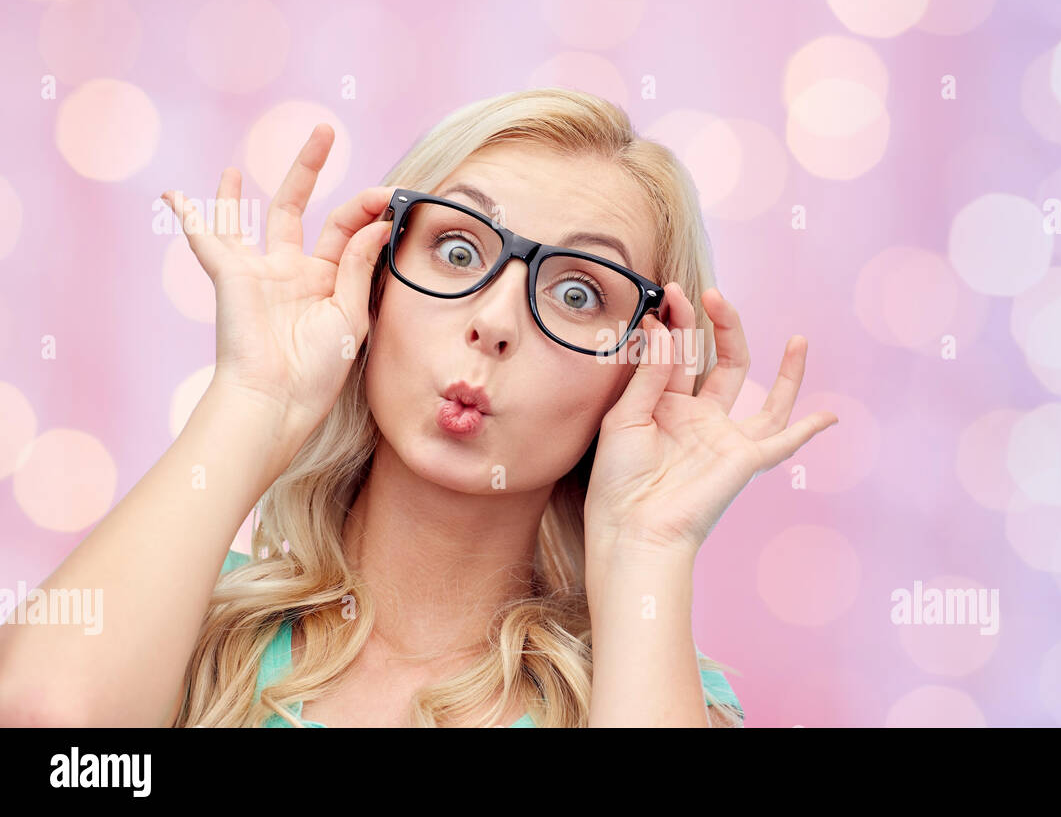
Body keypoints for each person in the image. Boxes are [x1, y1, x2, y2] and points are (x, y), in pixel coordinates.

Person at [0, 87, 837, 727]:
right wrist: (254, 393)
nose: (495, 321)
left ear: (639, 371)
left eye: (578, 291)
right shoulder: (183, 614)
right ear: (374, 280)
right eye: (460, 247)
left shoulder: (645, 684)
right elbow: (45, 726)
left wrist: (649, 544)